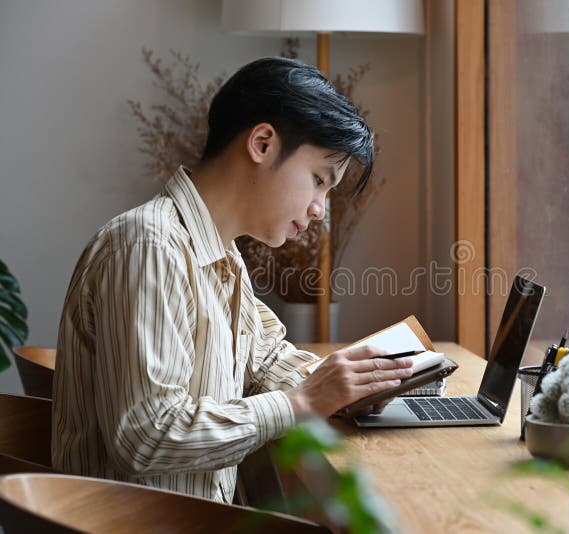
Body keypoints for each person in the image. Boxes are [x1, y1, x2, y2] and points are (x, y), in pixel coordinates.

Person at [51, 57, 413, 503]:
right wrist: (302, 402)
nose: (320, 209)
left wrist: (348, 387)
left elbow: (265, 362)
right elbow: (146, 436)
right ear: (262, 143)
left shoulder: (220, 254)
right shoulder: (148, 247)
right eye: (319, 180)